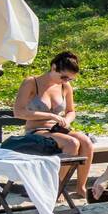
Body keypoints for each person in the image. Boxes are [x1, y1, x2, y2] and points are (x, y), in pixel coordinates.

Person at [12, 51, 94, 196]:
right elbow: (18, 112)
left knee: (86, 142)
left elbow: (71, 111)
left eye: (70, 79)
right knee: (72, 143)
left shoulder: (65, 87)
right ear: (54, 67)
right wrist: (51, 115)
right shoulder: (31, 82)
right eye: (63, 77)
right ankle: (57, 187)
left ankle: (80, 186)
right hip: (36, 130)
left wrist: (66, 121)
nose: (65, 81)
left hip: (58, 129)